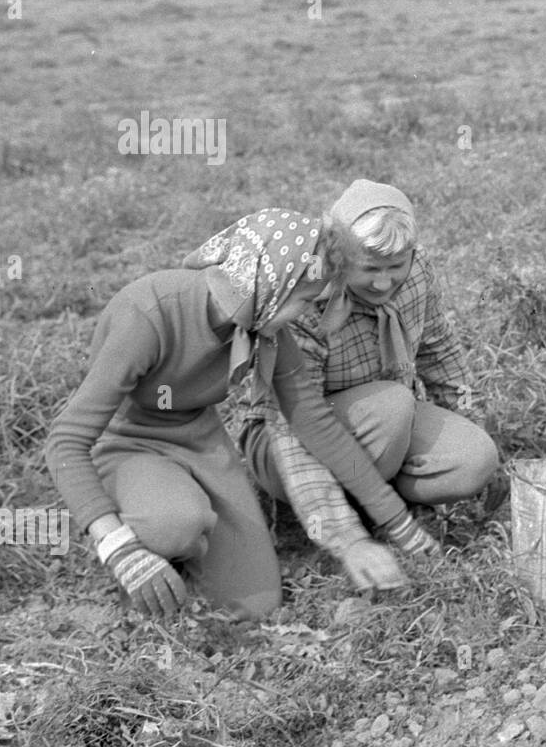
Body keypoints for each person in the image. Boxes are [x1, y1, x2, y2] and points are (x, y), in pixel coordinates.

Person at [45, 209, 431, 621]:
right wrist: (117, 546)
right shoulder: (152, 313)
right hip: (126, 443)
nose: (304, 313)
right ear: (268, 282)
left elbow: (316, 424)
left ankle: (176, 543)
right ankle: (141, 535)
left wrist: (397, 523)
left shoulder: (262, 326)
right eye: (302, 299)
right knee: (176, 522)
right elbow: (65, 442)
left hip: (200, 440)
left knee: (258, 605)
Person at [237, 179, 499, 593]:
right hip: (290, 444)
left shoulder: (418, 272)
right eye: (370, 269)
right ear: (341, 257)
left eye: (396, 267)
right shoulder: (308, 299)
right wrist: (345, 536)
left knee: (475, 459)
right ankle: (329, 512)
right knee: (394, 404)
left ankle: (377, 501)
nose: (383, 283)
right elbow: (291, 426)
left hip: (383, 428)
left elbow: (439, 350)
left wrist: (473, 421)